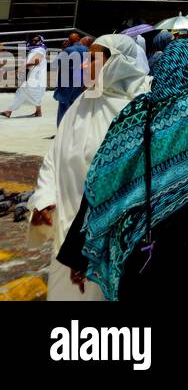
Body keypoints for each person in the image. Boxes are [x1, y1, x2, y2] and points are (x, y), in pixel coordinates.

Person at [56, 40, 188, 302]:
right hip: (186, 240)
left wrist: (77, 254)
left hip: (135, 240)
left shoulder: (133, 113)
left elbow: (101, 185)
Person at [29, 35, 150, 300]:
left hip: (107, 237)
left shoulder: (138, 111)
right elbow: (55, 156)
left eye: (92, 60)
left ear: (117, 64)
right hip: (67, 230)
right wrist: (44, 198)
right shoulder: (82, 103)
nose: (83, 66)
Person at [4, 35, 47, 118]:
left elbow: (33, 62)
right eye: (33, 40)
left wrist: (16, 70)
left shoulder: (40, 50)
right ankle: (38, 112)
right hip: (35, 75)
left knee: (23, 91)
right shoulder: (36, 50)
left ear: (40, 41)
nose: (34, 42)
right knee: (35, 93)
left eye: (36, 40)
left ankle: (9, 111)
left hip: (37, 76)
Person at [51, 33, 88, 126]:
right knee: (75, 106)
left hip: (67, 82)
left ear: (69, 40)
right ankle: (72, 128)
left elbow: (57, 63)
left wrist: (63, 50)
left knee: (63, 106)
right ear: (79, 39)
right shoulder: (86, 49)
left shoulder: (68, 50)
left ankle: (61, 129)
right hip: (80, 81)